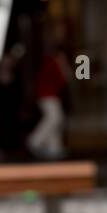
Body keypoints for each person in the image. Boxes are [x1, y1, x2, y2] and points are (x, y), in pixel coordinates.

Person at [26, 31, 69, 160]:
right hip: (47, 94)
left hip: (49, 94)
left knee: (56, 119)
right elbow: (63, 79)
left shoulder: (50, 60)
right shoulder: (52, 61)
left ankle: (54, 147)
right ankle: (34, 141)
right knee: (54, 118)